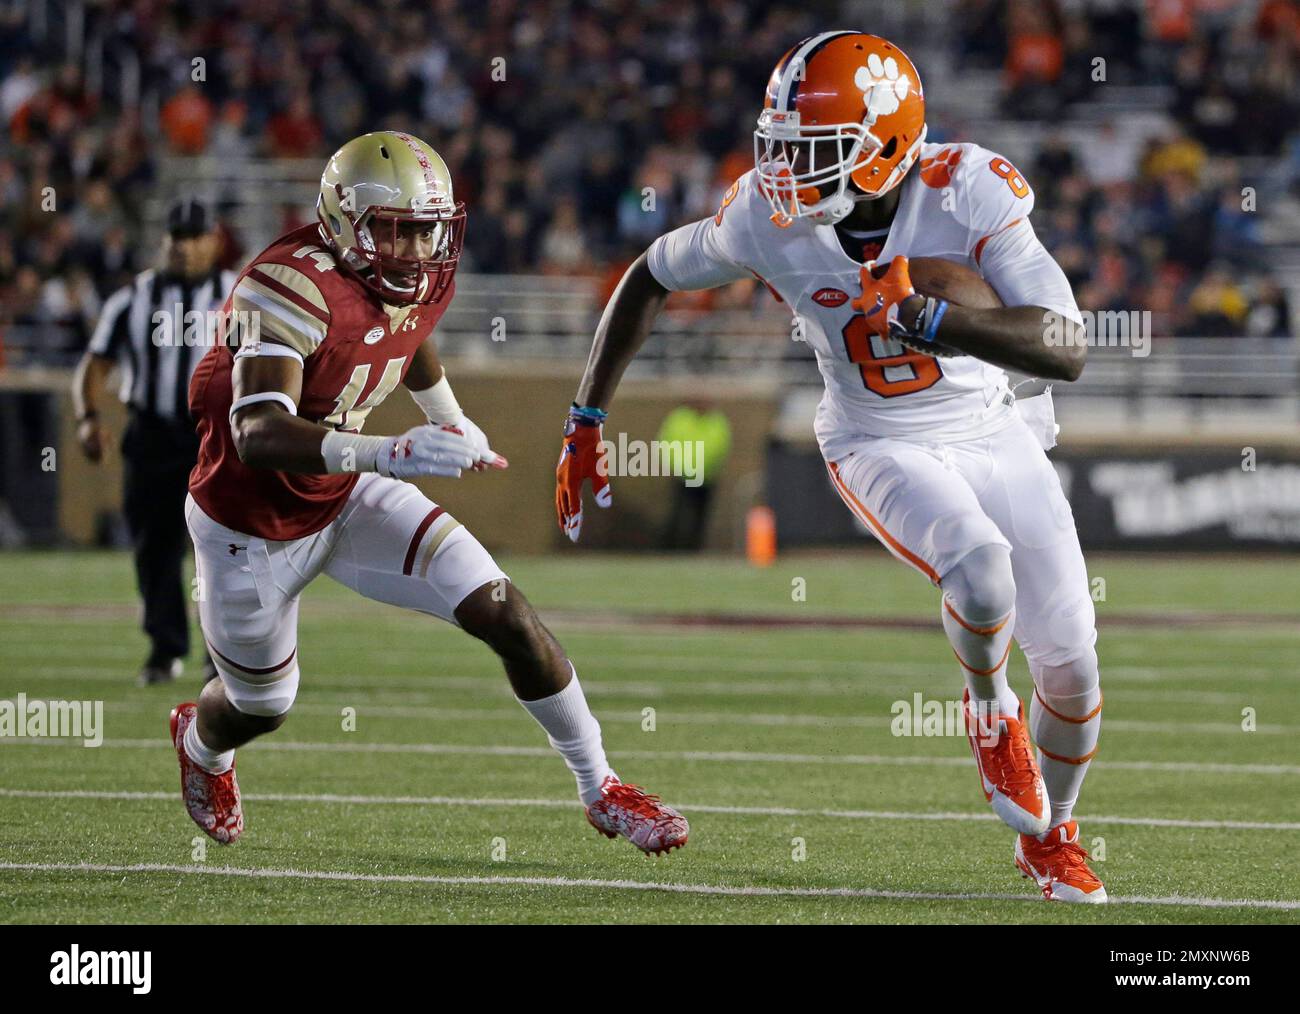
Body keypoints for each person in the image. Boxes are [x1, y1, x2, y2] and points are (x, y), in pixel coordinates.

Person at [556, 34, 1104, 902]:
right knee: (981, 568)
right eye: (778, 147)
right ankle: (991, 710)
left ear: (886, 144)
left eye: (810, 151)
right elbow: (649, 276)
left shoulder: (962, 192)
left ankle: (1055, 838)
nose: (782, 172)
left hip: (993, 428)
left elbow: (1066, 347)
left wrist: (928, 317)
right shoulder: (761, 218)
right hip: (874, 438)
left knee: (1074, 668)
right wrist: (586, 417)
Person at [172, 131, 687, 856]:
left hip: (344, 494)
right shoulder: (284, 286)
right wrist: (389, 451)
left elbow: (408, 335)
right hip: (249, 526)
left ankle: (601, 787)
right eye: (399, 231)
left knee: (502, 608)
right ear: (345, 221)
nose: (418, 250)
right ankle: (202, 745)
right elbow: (258, 430)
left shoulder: (418, 274)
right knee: (261, 704)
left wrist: (450, 419)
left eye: (428, 231)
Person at [73, 198, 233, 685]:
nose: (183, 247)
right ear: (164, 241)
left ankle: (222, 652)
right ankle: (165, 651)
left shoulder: (238, 296)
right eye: (176, 237)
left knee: (223, 549)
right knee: (154, 546)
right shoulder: (133, 298)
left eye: (193, 237)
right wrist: (86, 418)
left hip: (215, 438)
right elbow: (94, 364)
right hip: (152, 437)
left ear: (213, 241)